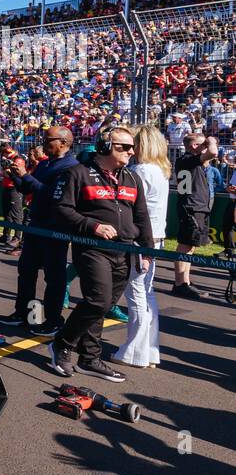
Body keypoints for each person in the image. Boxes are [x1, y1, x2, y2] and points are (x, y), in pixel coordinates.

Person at [49, 126, 152, 383]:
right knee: (98, 300)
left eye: (132, 147)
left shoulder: (131, 177)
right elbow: (62, 209)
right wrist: (92, 226)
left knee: (104, 306)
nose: (131, 151)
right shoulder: (77, 174)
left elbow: (141, 216)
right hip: (92, 248)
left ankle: (90, 358)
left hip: (125, 250)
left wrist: (147, 250)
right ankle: (62, 343)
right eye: (124, 147)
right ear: (106, 147)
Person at [0, 127, 79, 336]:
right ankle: (22, 313)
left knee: (54, 276)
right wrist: (15, 176)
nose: (43, 142)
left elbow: (53, 195)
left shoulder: (70, 167)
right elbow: (28, 189)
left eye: (48, 139)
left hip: (55, 228)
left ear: (63, 142)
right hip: (36, 224)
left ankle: (53, 319)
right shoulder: (44, 163)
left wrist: (26, 177)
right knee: (26, 270)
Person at [112, 125, 170, 369]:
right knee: (147, 294)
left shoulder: (138, 171)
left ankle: (135, 352)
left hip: (140, 238)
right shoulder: (160, 170)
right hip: (156, 236)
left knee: (136, 294)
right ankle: (149, 351)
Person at [172, 132, 218, 299]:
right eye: (202, 143)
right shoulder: (186, 159)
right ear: (193, 146)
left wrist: (205, 146)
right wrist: (212, 141)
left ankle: (186, 281)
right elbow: (213, 152)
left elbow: (208, 158)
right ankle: (179, 284)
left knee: (190, 247)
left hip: (195, 207)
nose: (205, 145)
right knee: (185, 245)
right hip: (191, 207)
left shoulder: (190, 161)